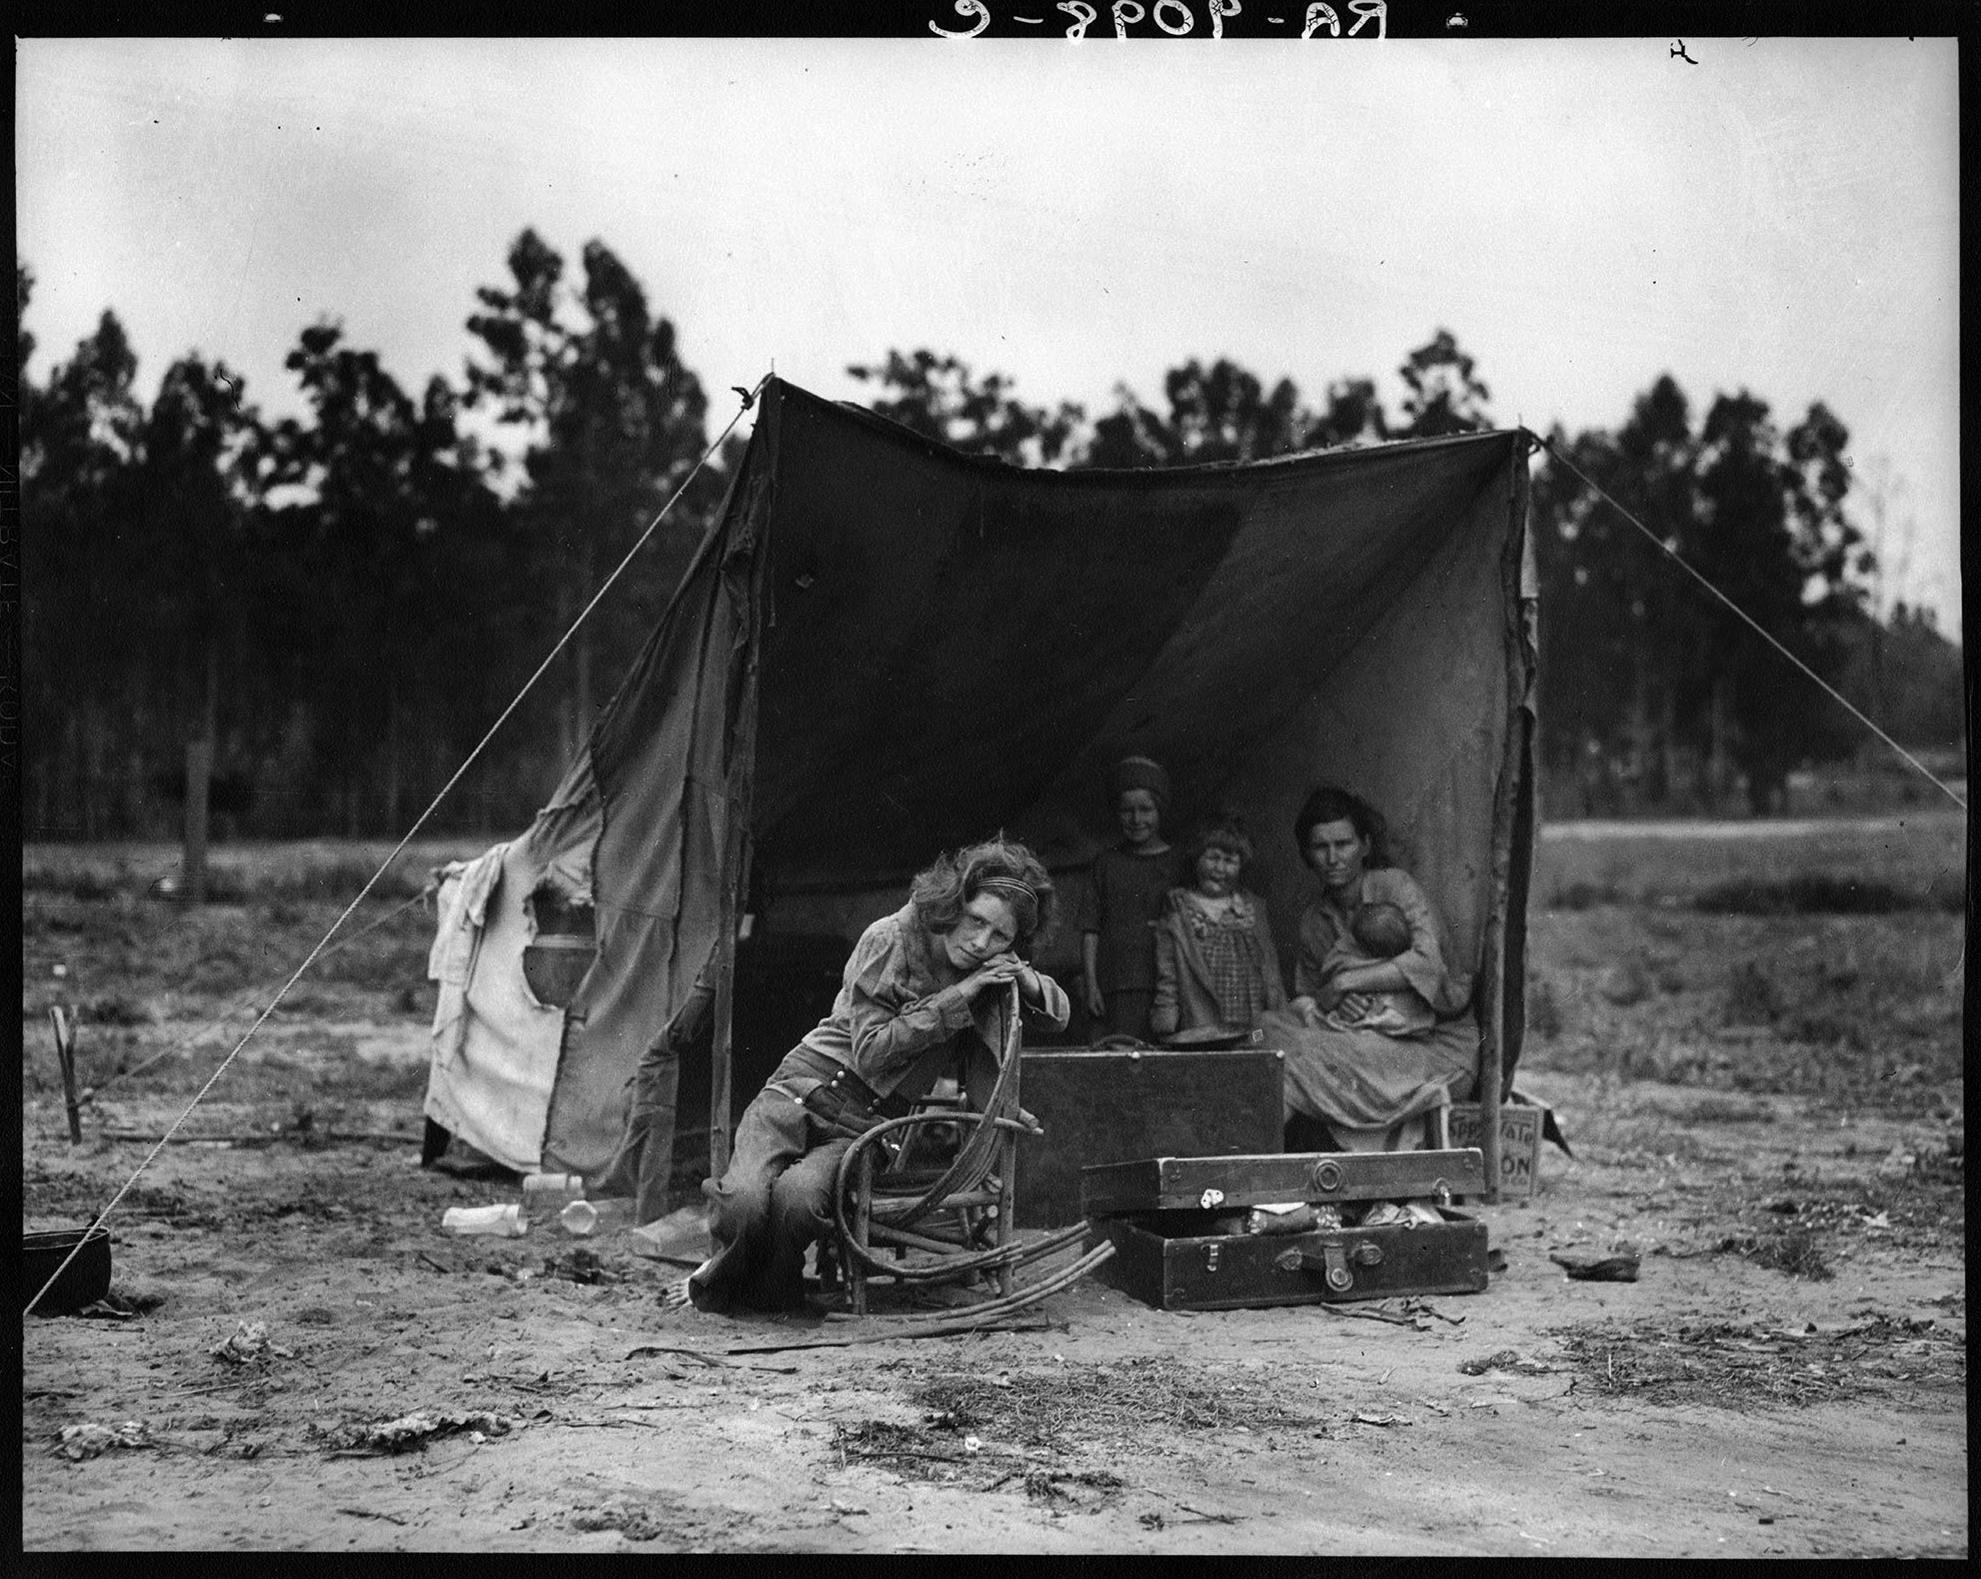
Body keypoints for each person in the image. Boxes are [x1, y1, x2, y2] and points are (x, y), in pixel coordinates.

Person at [685, 837, 1069, 1314]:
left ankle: (770, 1289)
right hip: (800, 1088)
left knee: (799, 1202)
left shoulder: (990, 975)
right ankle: (736, 1282)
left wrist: (1027, 977)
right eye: (976, 921)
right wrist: (958, 997)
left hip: (868, 1125)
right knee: (742, 1203)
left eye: (1000, 937)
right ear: (955, 902)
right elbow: (870, 1053)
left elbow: (1055, 1015)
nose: (980, 943)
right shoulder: (890, 938)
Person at [1257, 785, 1478, 1151]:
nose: (1332, 858)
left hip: (1432, 1047)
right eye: (1320, 847)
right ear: (1306, 855)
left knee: (1289, 1063)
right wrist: (1336, 1002)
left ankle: (1255, 1162)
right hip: (1359, 1039)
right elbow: (1313, 998)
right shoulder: (1314, 920)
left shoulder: (1394, 887)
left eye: (1343, 844)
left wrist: (1347, 981)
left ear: (1365, 846)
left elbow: (1428, 965)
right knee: (1263, 1031)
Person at [1078, 756, 1188, 1042]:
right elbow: (1090, 930)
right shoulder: (1105, 865)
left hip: (1169, 988)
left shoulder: (1180, 864)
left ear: (1160, 810)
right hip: (1115, 987)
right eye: (1127, 811)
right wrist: (1091, 985)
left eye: (1145, 810)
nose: (1136, 820)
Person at [1148, 813, 1287, 1040]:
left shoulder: (1252, 909)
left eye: (1230, 861)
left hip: (1251, 1019)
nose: (1220, 868)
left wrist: (1279, 1014)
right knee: (1213, 1064)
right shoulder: (1180, 910)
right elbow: (1168, 970)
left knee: (1255, 1053)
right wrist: (1166, 1019)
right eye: (1213, 857)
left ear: (1241, 866)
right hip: (1202, 1020)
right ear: (1197, 858)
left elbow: (1270, 970)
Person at [1308, 899, 1422, 1035]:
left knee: (1308, 1009)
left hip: (1370, 1012)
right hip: (1392, 1013)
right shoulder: (1394, 957)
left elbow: (1332, 971)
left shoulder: (1345, 957)